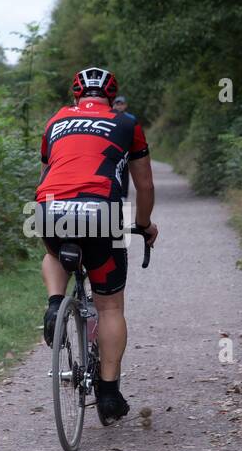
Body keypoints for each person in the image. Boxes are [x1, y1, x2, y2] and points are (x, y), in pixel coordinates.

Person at [36, 67, 158, 424]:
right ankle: (107, 393)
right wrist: (143, 225)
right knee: (109, 307)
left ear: (76, 95)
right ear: (111, 95)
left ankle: (56, 304)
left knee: (53, 253)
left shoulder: (55, 121)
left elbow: (47, 169)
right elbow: (145, 185)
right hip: (102, 210)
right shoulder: (127, 123)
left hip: (48, 206)